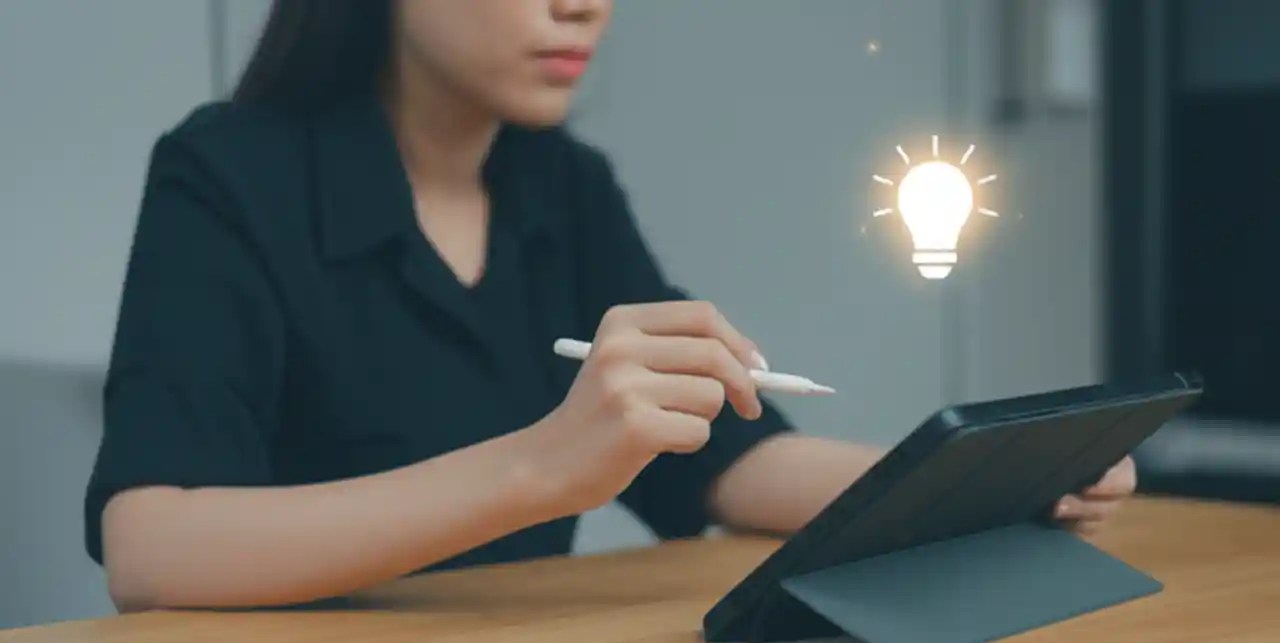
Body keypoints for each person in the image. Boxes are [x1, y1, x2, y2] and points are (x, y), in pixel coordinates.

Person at [87, 0, 1136, 612]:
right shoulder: (227, 172)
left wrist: (991, 478)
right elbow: (150, 546)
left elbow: (730, 459)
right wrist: (540, 468)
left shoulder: (559, 184)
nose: (583, 2)